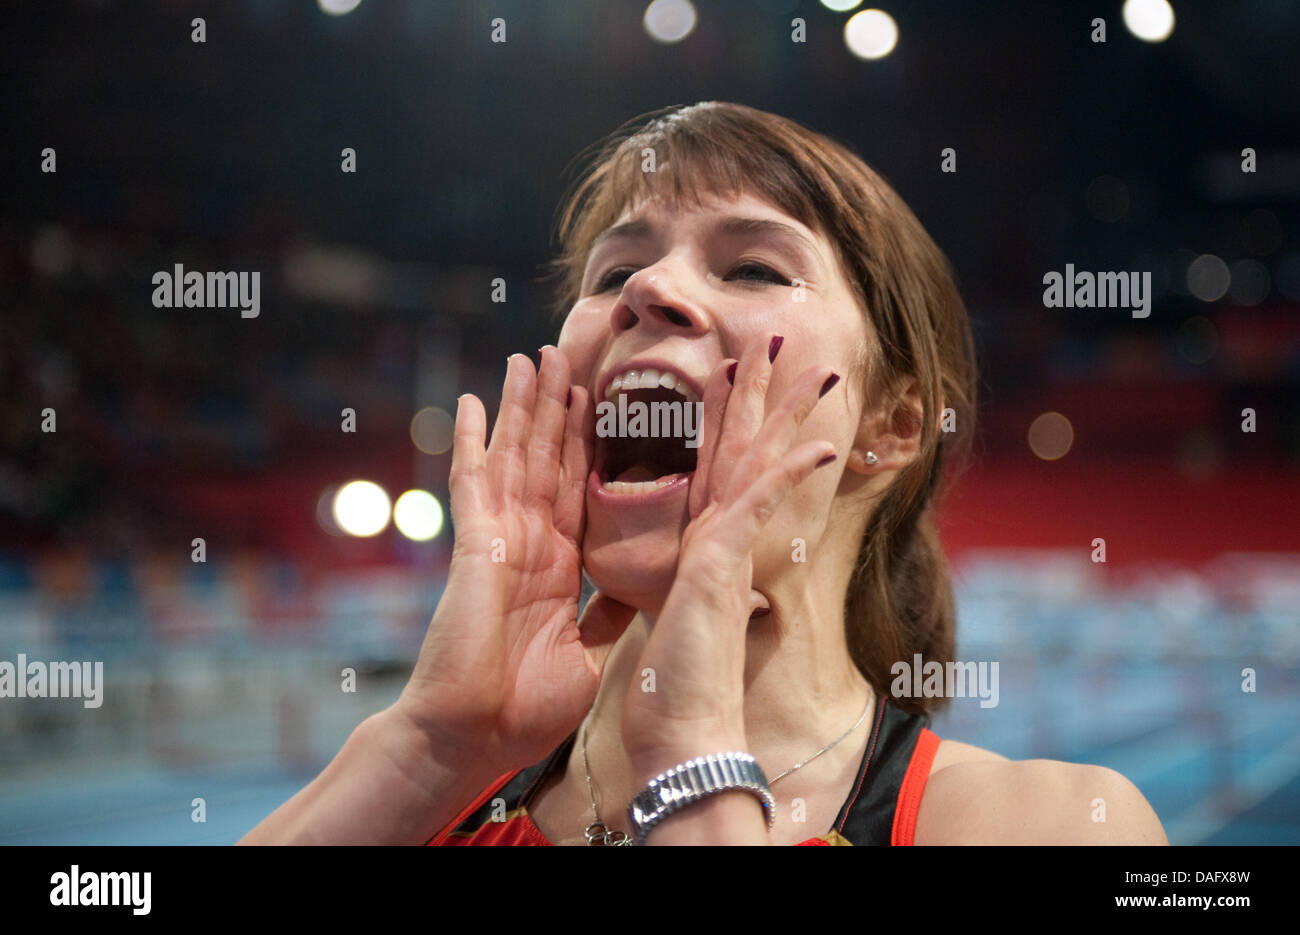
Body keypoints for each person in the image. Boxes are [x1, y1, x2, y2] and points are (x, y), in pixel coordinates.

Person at [241, 102, 1167, 846]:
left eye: (756, 266)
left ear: (890, 426)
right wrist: (429, 746)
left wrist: (693, 769)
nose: (648, 291)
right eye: (612, 275)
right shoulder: (424, 793)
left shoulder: (1048, 825)